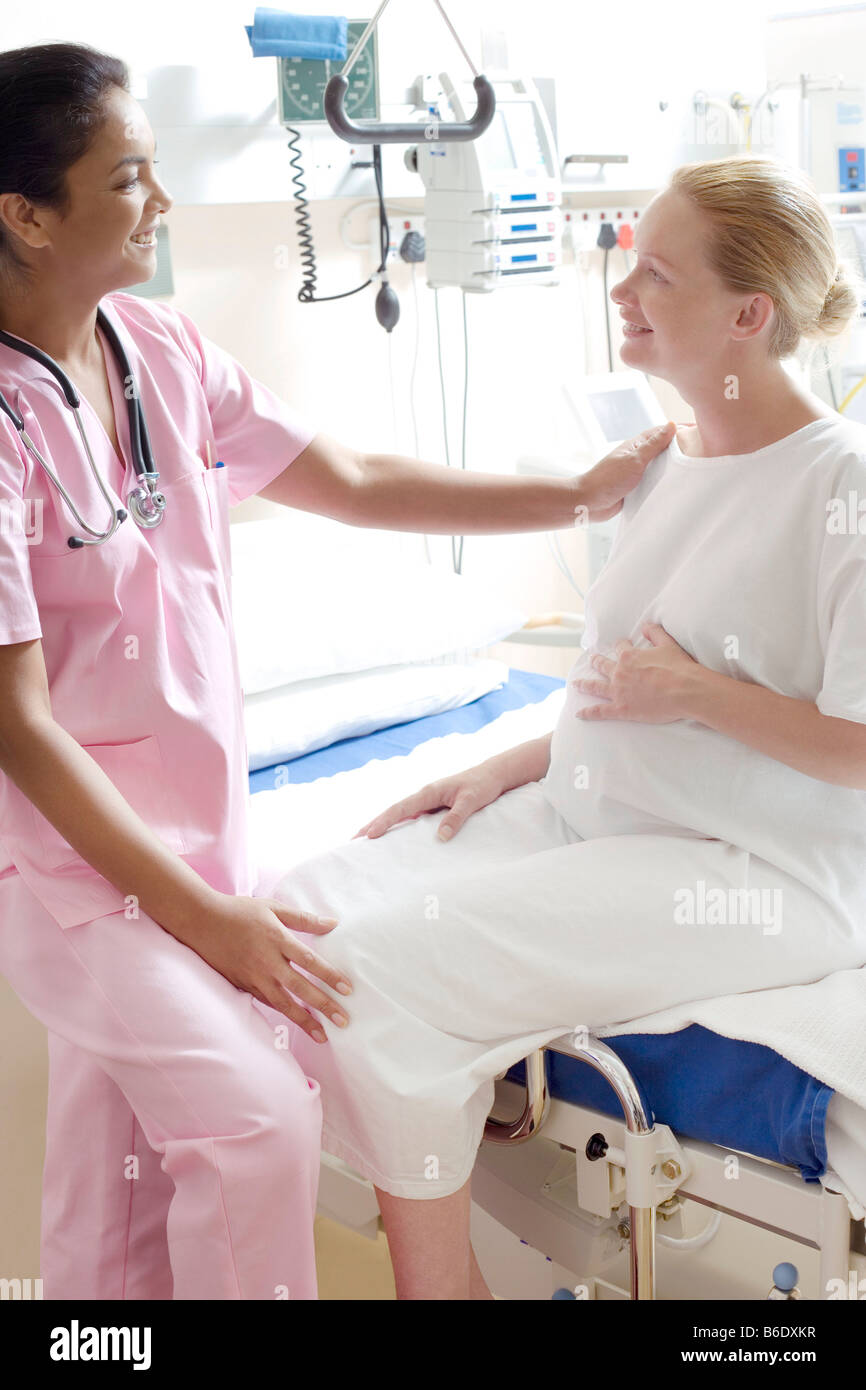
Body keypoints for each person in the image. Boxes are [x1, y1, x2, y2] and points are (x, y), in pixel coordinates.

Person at [0, 42, 669, 1301]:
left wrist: (570, 494)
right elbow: (17, 724)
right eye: (129, 177)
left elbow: (352, 480)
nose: (162, 203)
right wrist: (209, 923)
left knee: (111, 1188)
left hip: (205, 839)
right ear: (26, 215)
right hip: (74, 878)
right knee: (257, 1120)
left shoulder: (162, 350)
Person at [262, 154, 866, 1299]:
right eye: (627, 261)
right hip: (601, 813)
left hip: (762, 871)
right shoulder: (662, 463)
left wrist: (696, 696)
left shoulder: (840, 490)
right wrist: (513, 761)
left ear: (748, 314)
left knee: (367, 974)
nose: (620, 290)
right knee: (296, 911)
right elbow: (619, 686)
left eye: (655, 274)